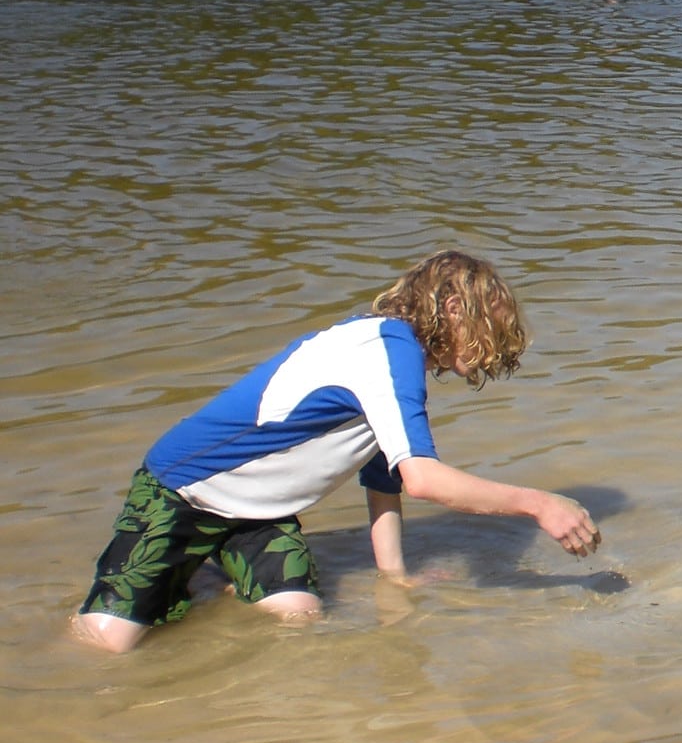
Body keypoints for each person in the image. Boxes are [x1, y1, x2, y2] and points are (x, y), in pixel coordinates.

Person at [72, 252, 602, 654]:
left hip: (260, 513)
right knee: (107, 644)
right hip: (182, 488)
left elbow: (384, 481)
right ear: (455, 307)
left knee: (298, 618)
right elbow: (422, 478)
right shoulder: (384, 350)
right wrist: (538, 503)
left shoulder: (396, 361)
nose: (494, 342)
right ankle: (182, 569)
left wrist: (394, 580)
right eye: (489, 323)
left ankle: (207, 570)